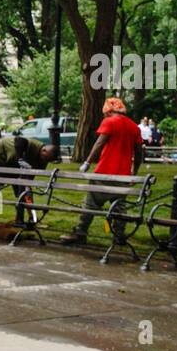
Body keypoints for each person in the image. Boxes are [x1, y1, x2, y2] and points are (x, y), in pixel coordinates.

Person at [61, 97, 145, 246]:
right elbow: (139, 153)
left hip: (104, 172)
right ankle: (119, 235)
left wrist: (87, 162)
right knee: (119, 207)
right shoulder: (134, 127)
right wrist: (134, 171)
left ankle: (81, 232)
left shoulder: (109, 122)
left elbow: (99, 143)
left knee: (90, 204)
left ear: (107, 111)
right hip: (123, 176)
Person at [0, 134, 59, 228]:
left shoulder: (43, 160)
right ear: (44, 150)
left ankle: (32, 218)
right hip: (2, 155)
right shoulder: (32, 144)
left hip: (16, 163)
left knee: (26, 191)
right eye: (45, 157)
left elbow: (29, 179)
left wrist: (26, 185)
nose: (44, 160)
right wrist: (20, 158)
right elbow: (19, 140)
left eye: (47, 160)